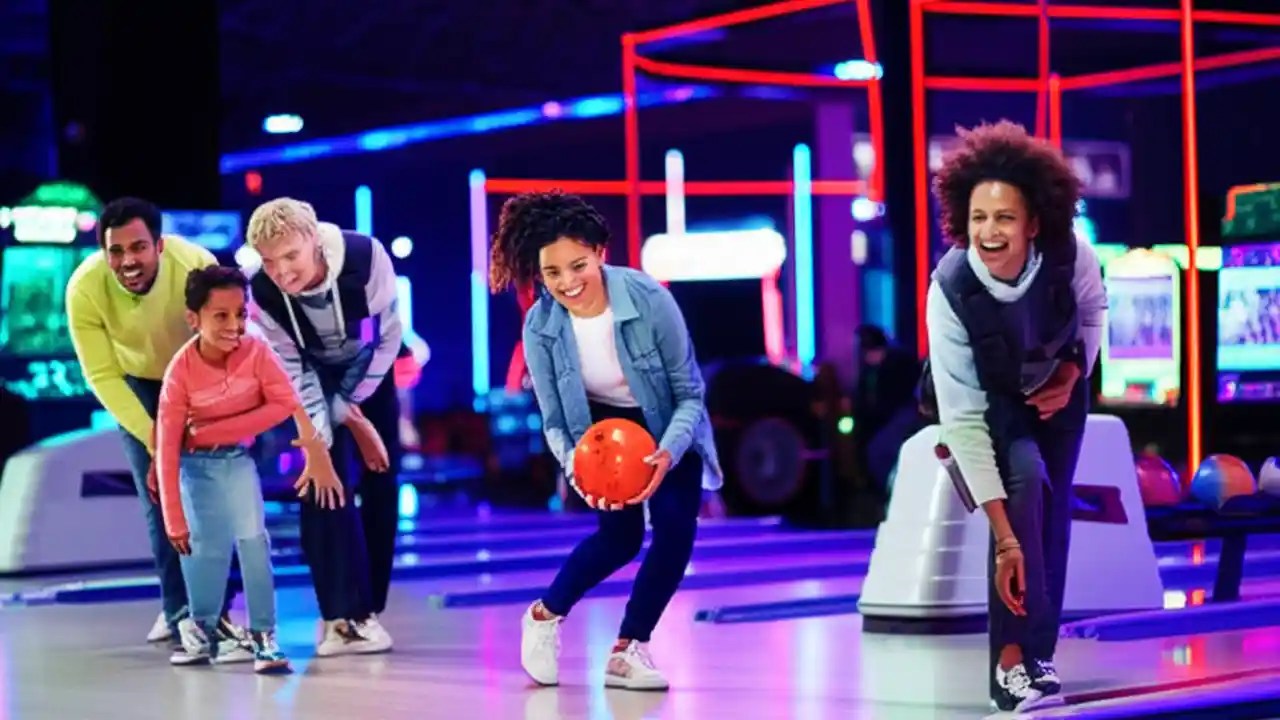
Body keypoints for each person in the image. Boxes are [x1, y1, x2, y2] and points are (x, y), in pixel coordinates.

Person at [488, 190, 722, 691]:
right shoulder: (541, 326)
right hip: (597, 432)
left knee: (676, 527)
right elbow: (553, 419)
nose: (567, 283)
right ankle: (544, 615)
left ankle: (627, 648)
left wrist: (668, 452)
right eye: (552, 273)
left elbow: (689, 393)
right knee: (620, 540)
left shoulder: (650, 299)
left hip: (663, 422)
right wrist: (576, 466)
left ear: (600, 252)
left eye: (577, 265)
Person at [923, 120, 1105, 712]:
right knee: (1023, 494)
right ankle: (1008, 667)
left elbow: (1094, 313)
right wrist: (1002, 537)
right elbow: (965, 419)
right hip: (991, 406)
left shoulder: (1071, 254)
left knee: (1052, 524)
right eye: (978, 218)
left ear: (1032, 223)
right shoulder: (949, 289)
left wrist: (1072, 374)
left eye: (1004, 218)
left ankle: (1038, 656)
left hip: (1060, 390)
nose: (989, 231)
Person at [66, 197, 249, 664]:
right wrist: (156, 438)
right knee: (161, 495)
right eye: (117, 251)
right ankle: (180, 611)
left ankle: (222, 609)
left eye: (139, 248)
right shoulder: (84, 288)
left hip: (198, 372)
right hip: (136, 382)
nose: (128, 261)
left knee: (210, 491)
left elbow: (226, 338)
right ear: (104, 251)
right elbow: (102, 375)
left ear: (160, 246)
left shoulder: (195, 265)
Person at [156, 265, 345, 672]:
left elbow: (286, 403)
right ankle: (203, 630)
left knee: (254, 542)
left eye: (240, 314)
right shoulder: (180, 371)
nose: (234, 325)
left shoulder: (257, 351)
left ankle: (264, 635)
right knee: (201, 549)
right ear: (195, 319)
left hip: (235, 460)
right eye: (220, 315)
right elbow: (167, 447)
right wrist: (173, 519)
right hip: (192, 468)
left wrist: (213, 429)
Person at [244, 197, 398, 656]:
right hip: (312, 377)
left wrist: (352, 407)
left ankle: (366, 612)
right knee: (321, 483)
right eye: (270, 261)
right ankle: (336, 616)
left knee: (380, 478)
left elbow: (387, 338)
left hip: (371, 370)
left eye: (291, 256)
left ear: (314, 241)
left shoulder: (366, 258)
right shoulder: (264, 294)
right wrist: (318, 439)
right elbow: (292, 371)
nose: (282, 272)